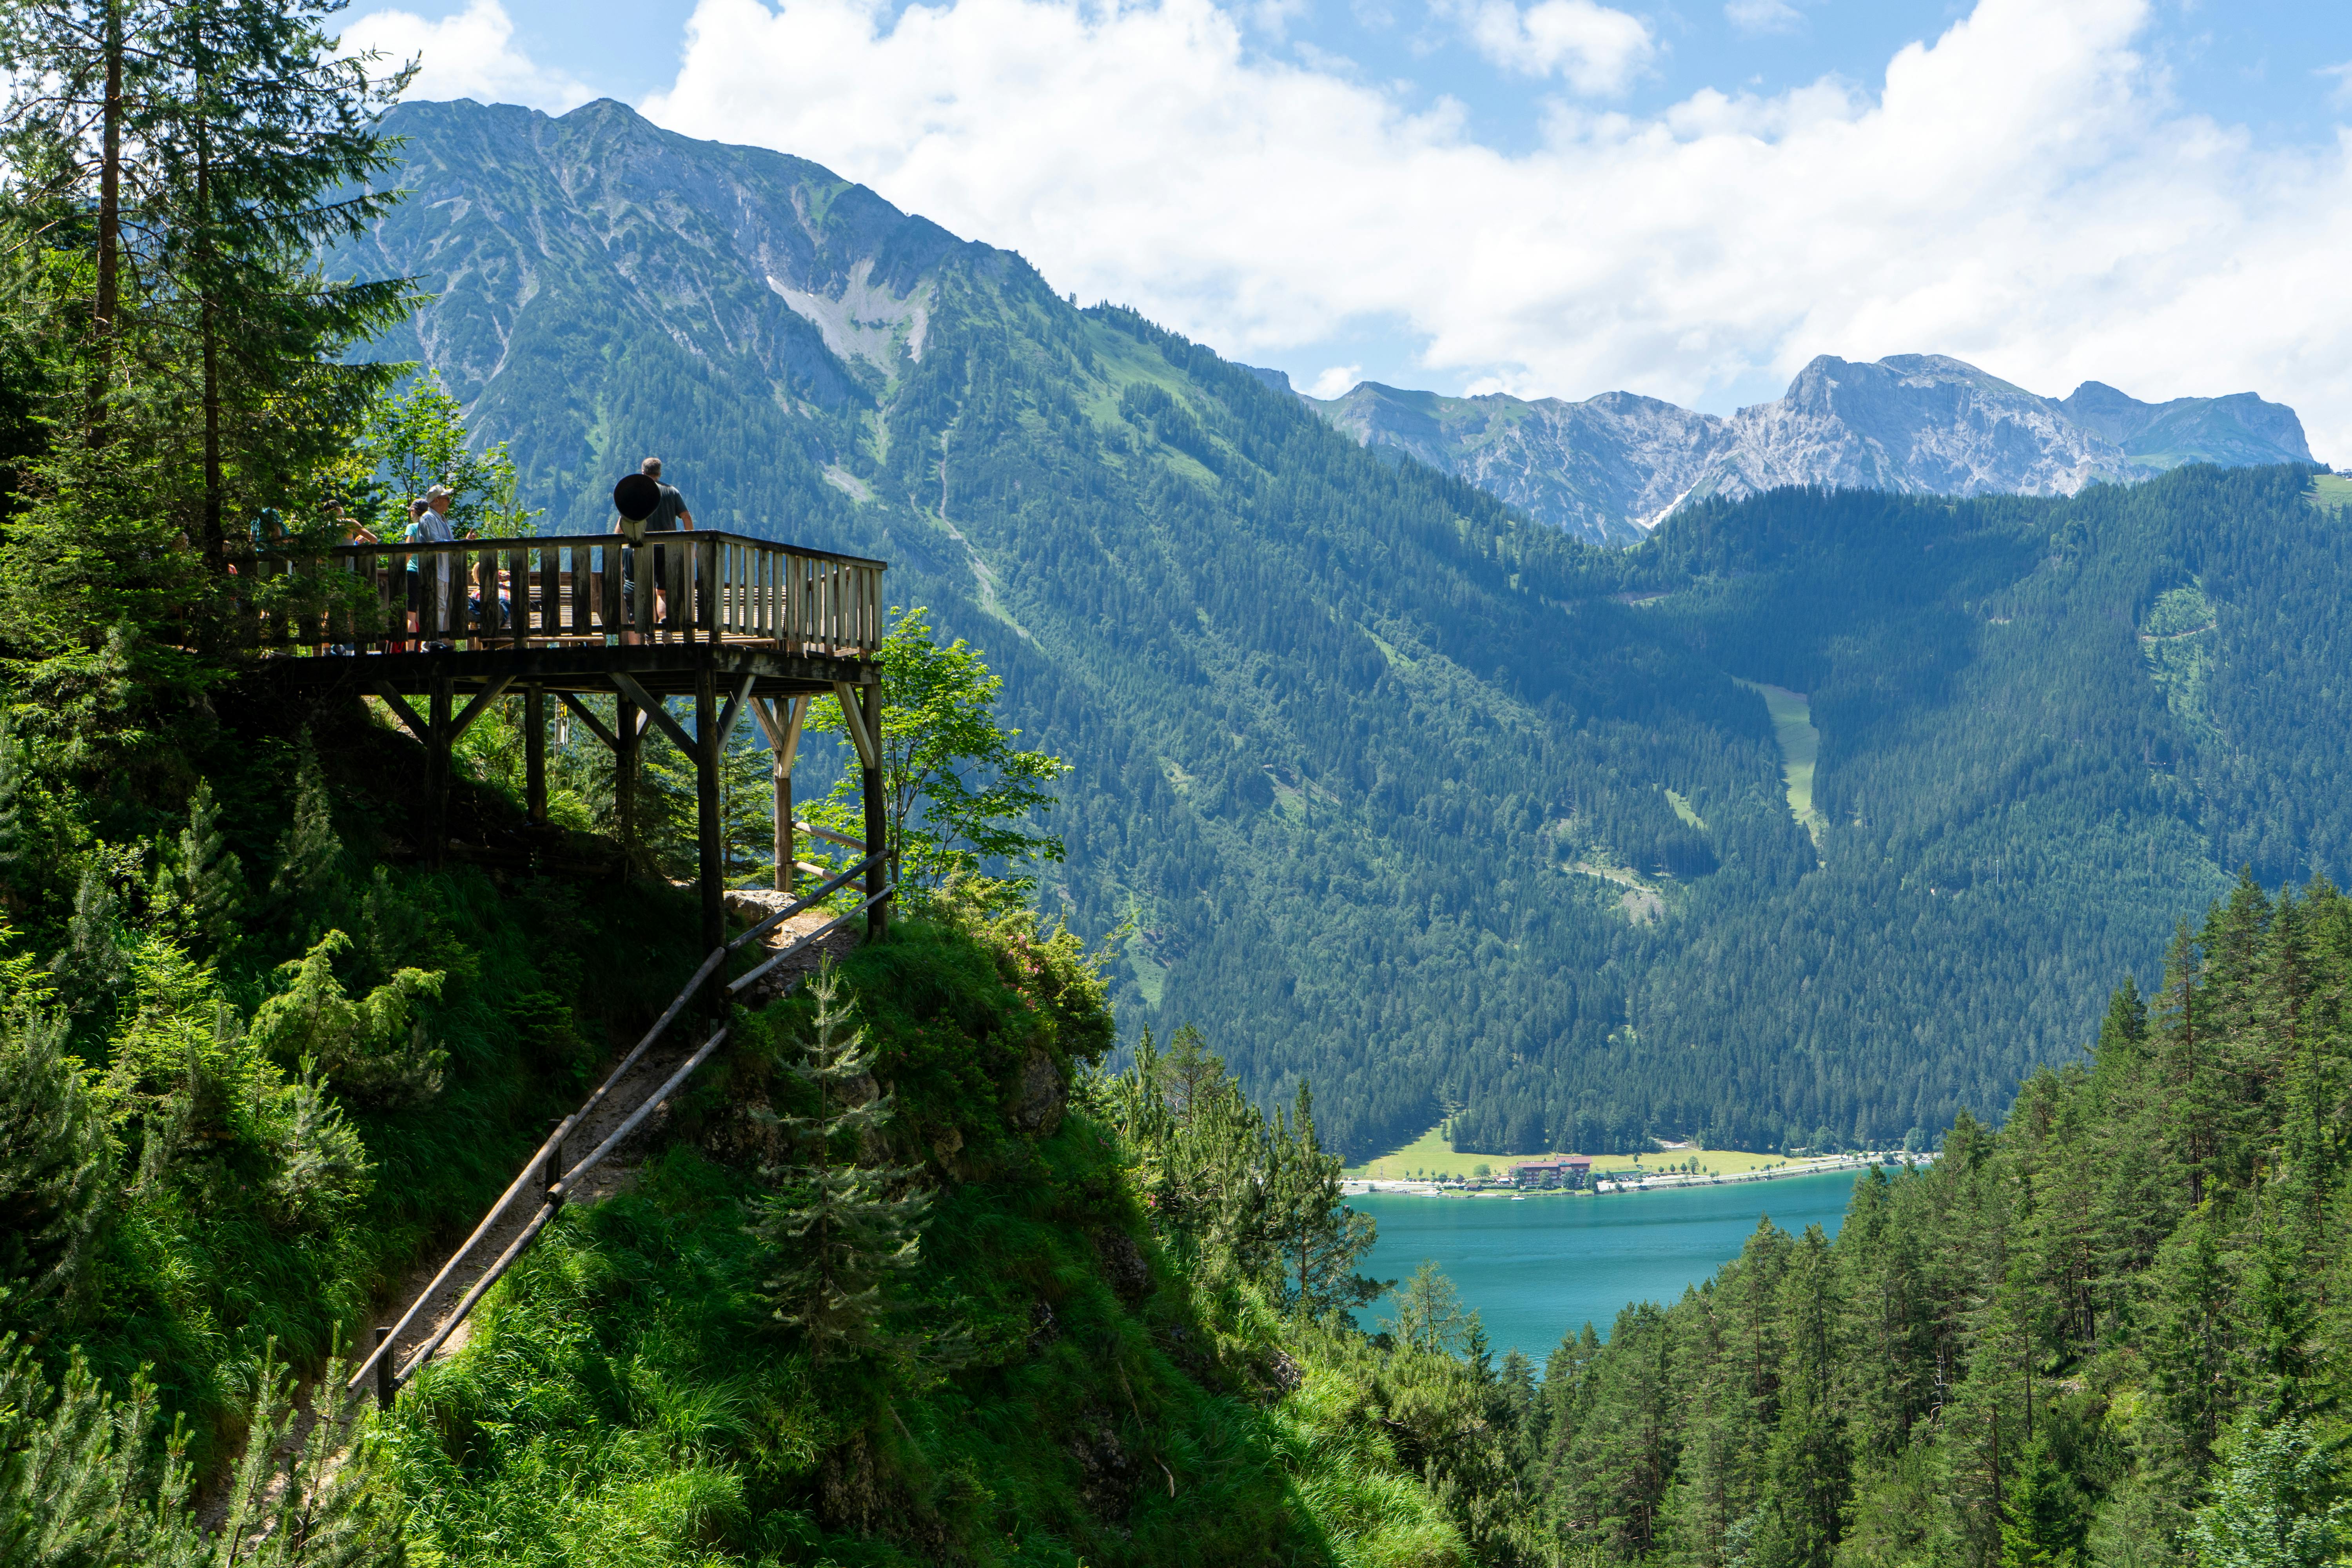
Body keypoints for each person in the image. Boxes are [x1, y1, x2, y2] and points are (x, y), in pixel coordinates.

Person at [613, 457, 693, 641]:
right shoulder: (671, 492)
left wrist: (617, 545)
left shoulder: (636, 492)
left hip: (640, 550)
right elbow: (686, 517)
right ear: (660, 473)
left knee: (642, 590)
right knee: (662, 592)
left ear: (643, 472)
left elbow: (623, 522)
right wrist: (691, 544)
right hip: (667, 549)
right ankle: (665, 624)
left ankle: (649, 633)